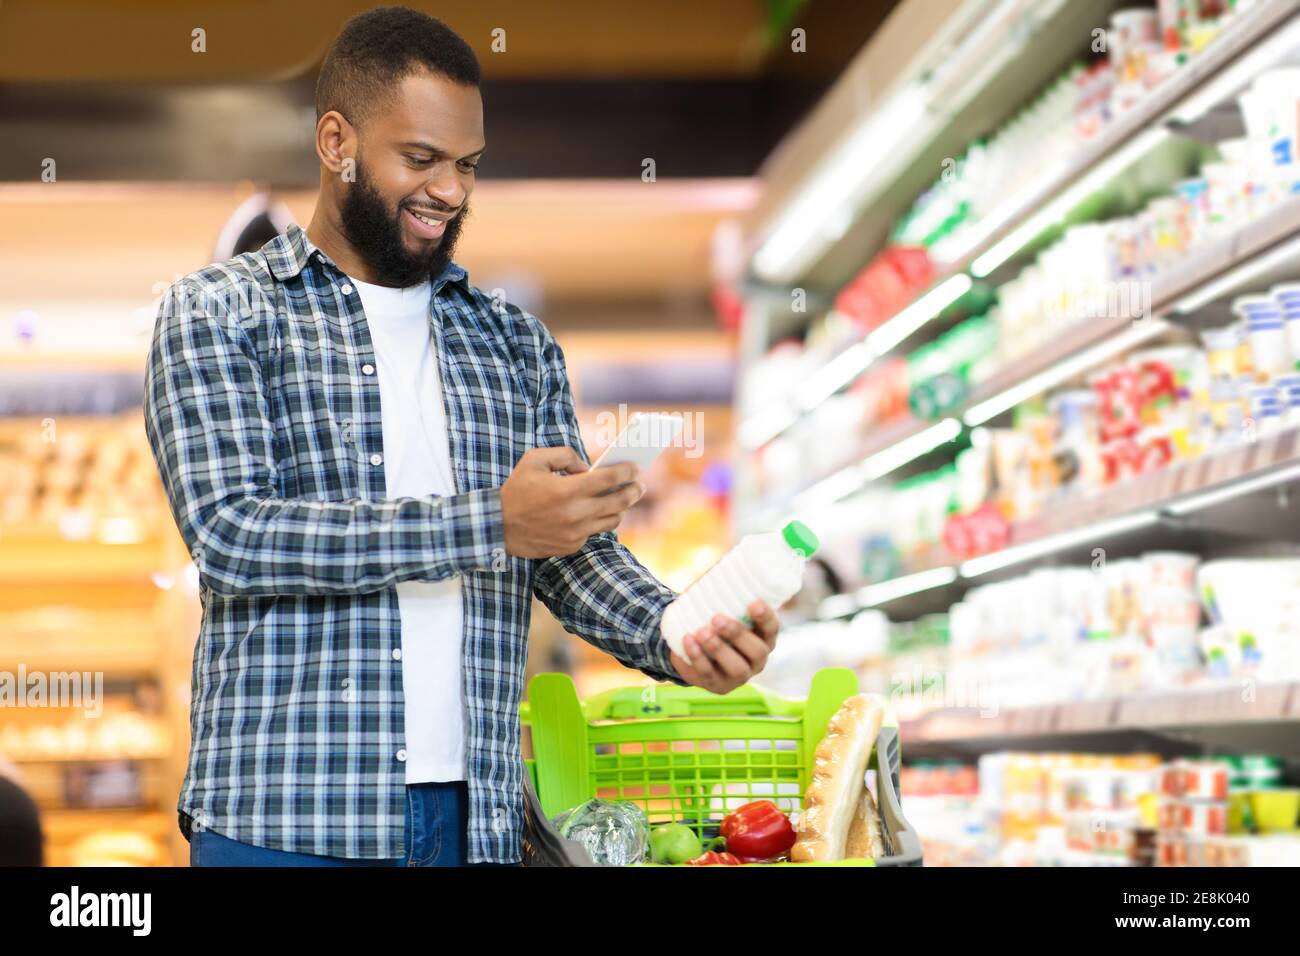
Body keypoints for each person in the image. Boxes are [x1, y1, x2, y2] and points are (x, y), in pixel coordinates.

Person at [143, 6, 782, 867]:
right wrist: (490, 522)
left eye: (467, 165)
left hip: (472, 818)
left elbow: (565, 551)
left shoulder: (515, 345)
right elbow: (233, 536)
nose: (451, 189)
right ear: (337, 142)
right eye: (421, 159)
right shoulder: (219, 312)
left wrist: (674, 633)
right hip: (285, 817)